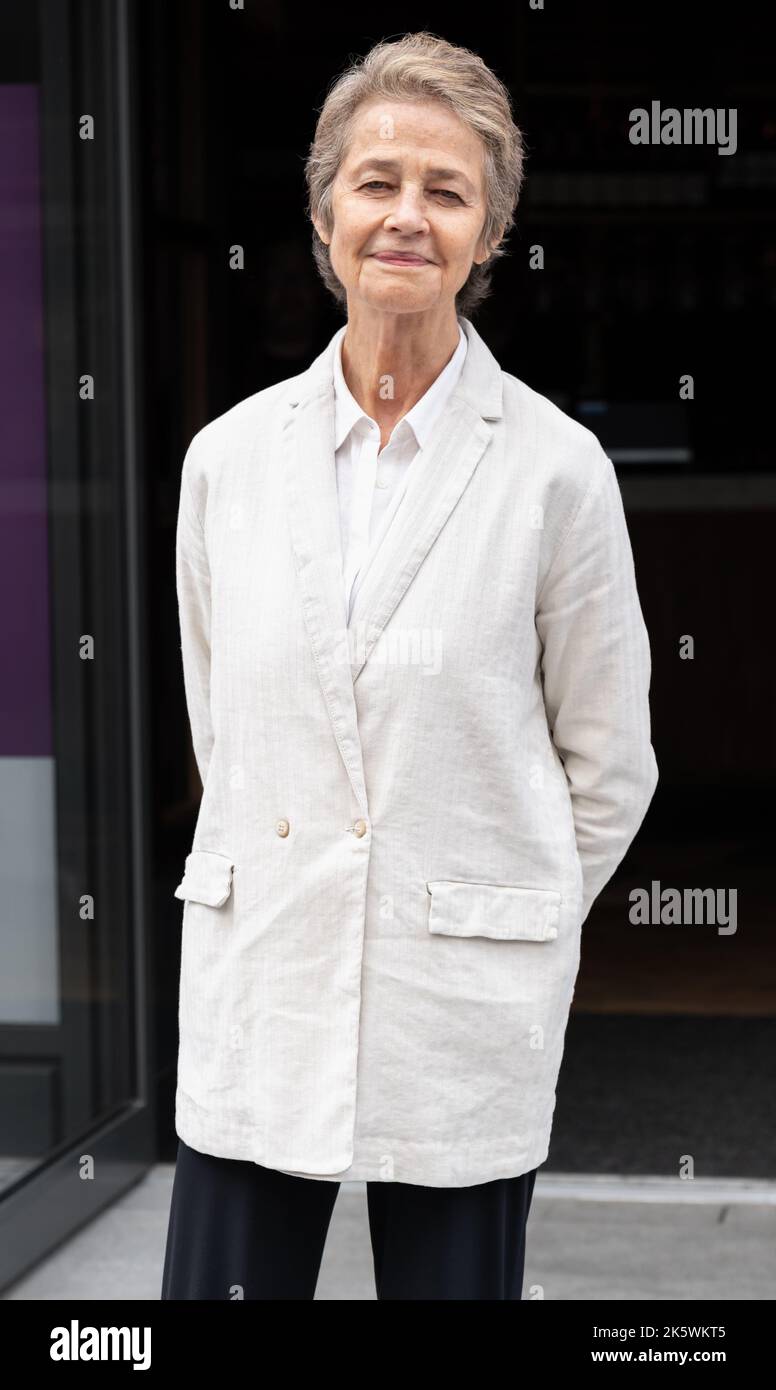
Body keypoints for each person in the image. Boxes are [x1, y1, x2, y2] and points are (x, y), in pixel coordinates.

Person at [161, 30, 658, 1301]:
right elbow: (231, 726)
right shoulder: (226, 461)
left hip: (461, 1001)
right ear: (325, 206)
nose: (405, 217)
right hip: (265, 970)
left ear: (487, 234)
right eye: (376, 180)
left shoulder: (554, 471)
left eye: (446, 191)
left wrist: (508, 901)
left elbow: (607, 766)